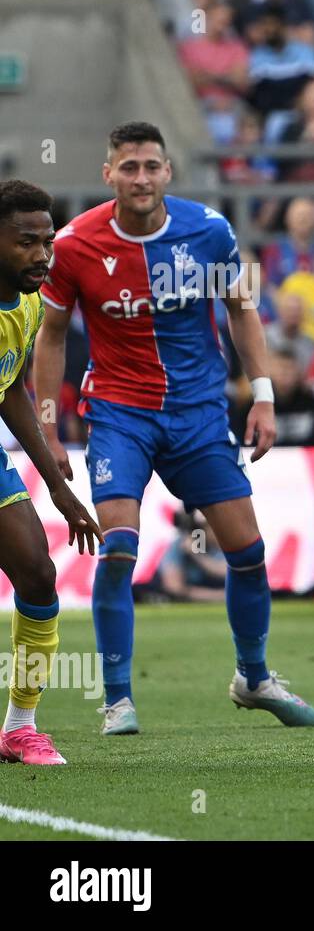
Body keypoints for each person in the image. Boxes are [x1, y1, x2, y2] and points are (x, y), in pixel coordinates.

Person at [35, 122, 314, 736]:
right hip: (118, 415)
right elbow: (51, 336)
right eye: (129, 166)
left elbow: (242, 310)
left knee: (247, 552)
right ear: (108, 173)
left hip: (199, 415)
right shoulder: (74, 245)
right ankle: (117, 700)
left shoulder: (209, 232)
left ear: (168, 172)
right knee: (117, 549)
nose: (141, 177)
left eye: (152, 167)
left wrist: (263, 395)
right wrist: (49, 427)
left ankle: (253, 676)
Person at [0, 180, 103, 765]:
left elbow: (11, 387)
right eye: (25, 243)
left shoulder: (30, 302)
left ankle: (19, 728)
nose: (42, 255)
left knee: (38, 575)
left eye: (47, 242)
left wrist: (62, 493)